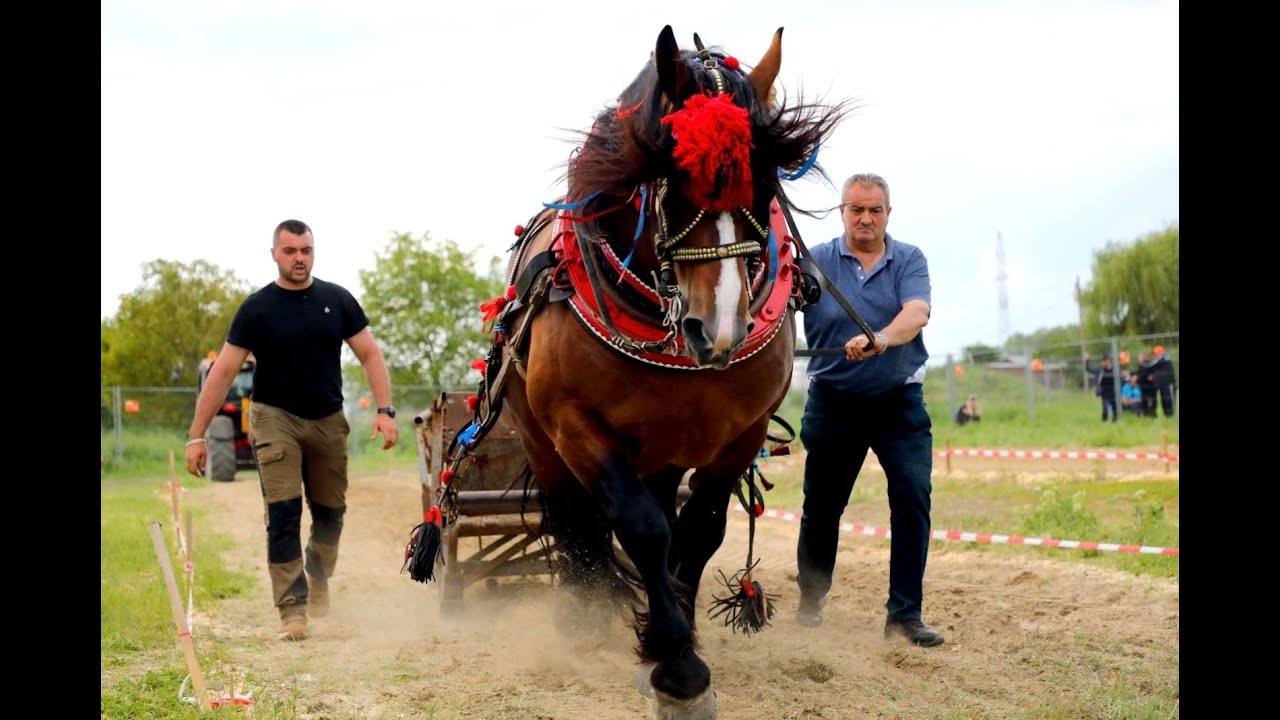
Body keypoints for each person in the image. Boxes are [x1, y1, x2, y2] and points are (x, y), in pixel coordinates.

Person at [184, 219, 400, 642]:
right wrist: (198, 435)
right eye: (290, 251)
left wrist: (385, 410)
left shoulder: (337, 300)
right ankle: (292, 609)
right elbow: (224, 372)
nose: (299, 258)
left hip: (327, 419)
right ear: (274, 255)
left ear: (313, 252)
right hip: (274, 418)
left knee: (331, 513)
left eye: (306, 250)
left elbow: (370, 353)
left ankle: (318, 574)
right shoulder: (257, 309)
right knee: (283, 514)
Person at [794, 173, 943, 648]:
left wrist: (880, 338)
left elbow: (916, 313)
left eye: (874, 210)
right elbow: (778, 306)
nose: (865, 218)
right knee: (821, 509)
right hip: (833, 402)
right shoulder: (814, 260)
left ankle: (905, 616)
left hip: (899, 403)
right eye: (856, 209)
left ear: (888, 214)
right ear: (842, 212)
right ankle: (810, 605)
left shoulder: (909, 259)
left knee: (913, 501)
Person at [1084, 352, 1119, 422]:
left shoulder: (1115, 369)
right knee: (1105, 407)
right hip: (1104, 391)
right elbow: (1088, 368)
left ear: (1109, 361)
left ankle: (1115, 421)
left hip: (1113, 390)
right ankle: (1104, 421)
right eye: (1103, 361)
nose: (1104, 363)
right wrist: (1087, 360)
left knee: (1114, 407)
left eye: (1106, 361)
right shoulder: (1099, 369)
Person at [1149, 345, 1176, 417]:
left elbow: (1152, 366)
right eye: (1154, 354)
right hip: (1162, 385)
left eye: (1155, 353)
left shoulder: (1165, 359)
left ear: (1160, 353)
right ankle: (1167, 415)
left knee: (1169, 400)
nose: (1154, 355)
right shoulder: (1158, 360)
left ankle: (1171, 415)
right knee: (1164, 400)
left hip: (1168, 384)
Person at [1136, 353, 1158, 417]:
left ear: (1145, 357)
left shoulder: (1149, 365)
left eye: (1140, 358)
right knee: (1145, 401)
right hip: (1143, 387)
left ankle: (1151, 414)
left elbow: (1145, 375)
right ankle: (1147, 414)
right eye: (1139, 358)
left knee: (1151, 401)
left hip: (1150, 387)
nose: (1139, 359)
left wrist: (1137, 379)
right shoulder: (1141, 366)